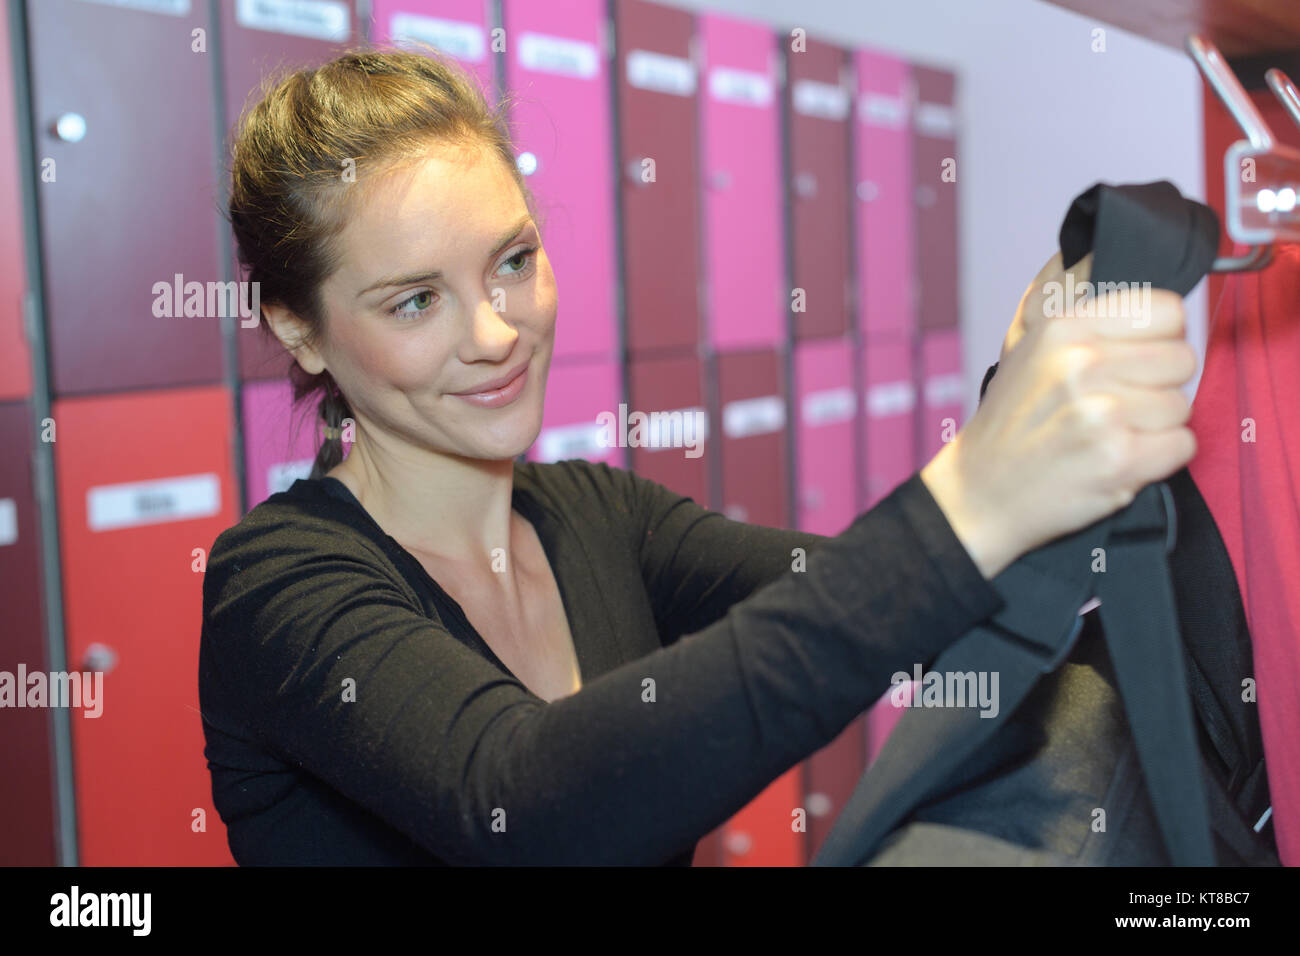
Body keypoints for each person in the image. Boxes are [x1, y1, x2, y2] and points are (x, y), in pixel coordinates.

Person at [198, 48, 1200, 865]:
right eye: (416, 299)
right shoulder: (278, 588)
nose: (496, 331)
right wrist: (967, 500)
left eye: (513, 261)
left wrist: (1023, 413)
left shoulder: (597, 517)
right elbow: (526, 802)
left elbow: (888, 601)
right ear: (298, 329)